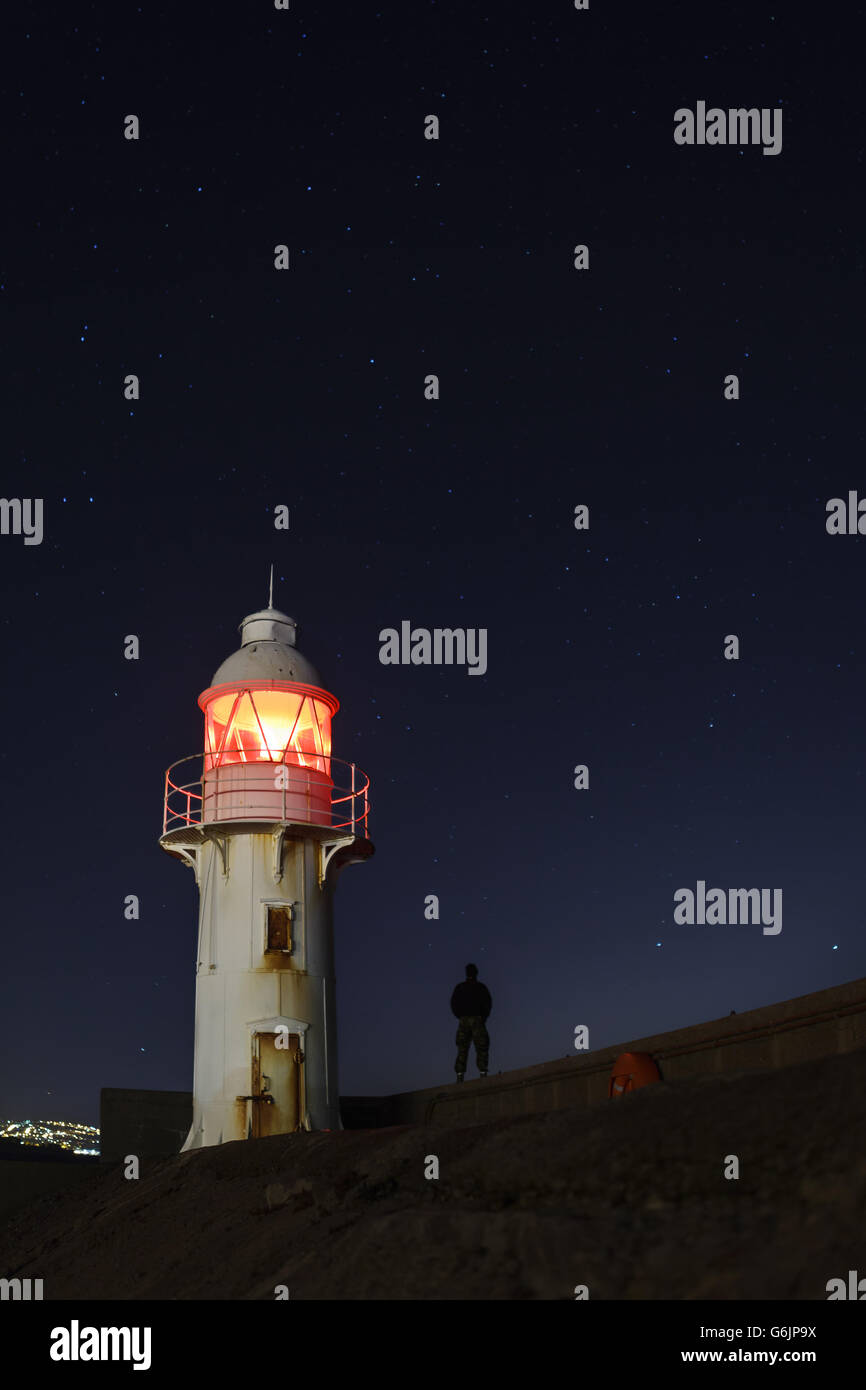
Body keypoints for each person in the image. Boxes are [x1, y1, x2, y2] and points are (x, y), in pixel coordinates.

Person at [450, 963, 492, 1082]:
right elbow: (488, 1003)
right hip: (475, 1019)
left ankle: (460, 1075)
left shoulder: (461, 987)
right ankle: (482, 1073)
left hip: (467, 1020)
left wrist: (461, 1015)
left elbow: (454, 1003)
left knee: (464, 1047)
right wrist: (483, 1016)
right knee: (481, 1046)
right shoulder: (480, 987)